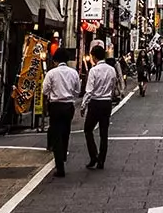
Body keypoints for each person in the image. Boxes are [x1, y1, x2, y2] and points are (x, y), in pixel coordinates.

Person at [41, 47, 82, 176]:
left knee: (56, 135)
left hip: (56, 106)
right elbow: (77, 90)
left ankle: (60, 167)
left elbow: (44, 90)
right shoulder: (73, 73)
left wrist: (52, 94)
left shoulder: (51, 73)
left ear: (55, 60)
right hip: (68, 105)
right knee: (66, 132)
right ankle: (63, 156)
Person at [83, 43, 120, 170]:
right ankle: (101, 161)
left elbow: (89, 90)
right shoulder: (111, 69)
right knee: (104, 133)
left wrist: (83, 106)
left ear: (93, 56)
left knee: (88, 129)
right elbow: (114, 85)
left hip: (95, 103)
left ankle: (94, 156)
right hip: (106, 103)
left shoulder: (93, 71)